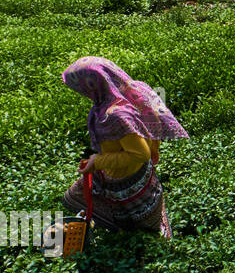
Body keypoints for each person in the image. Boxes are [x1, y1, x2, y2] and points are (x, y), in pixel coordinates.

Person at [61, 56, 188, 239]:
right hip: (133, 169)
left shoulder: (115, 116)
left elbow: (140, 153)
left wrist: (98, 161)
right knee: (75, 197)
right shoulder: (134, 89)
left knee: (128, 223)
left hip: (125, 177)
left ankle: (141, 230)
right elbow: (153, 125)